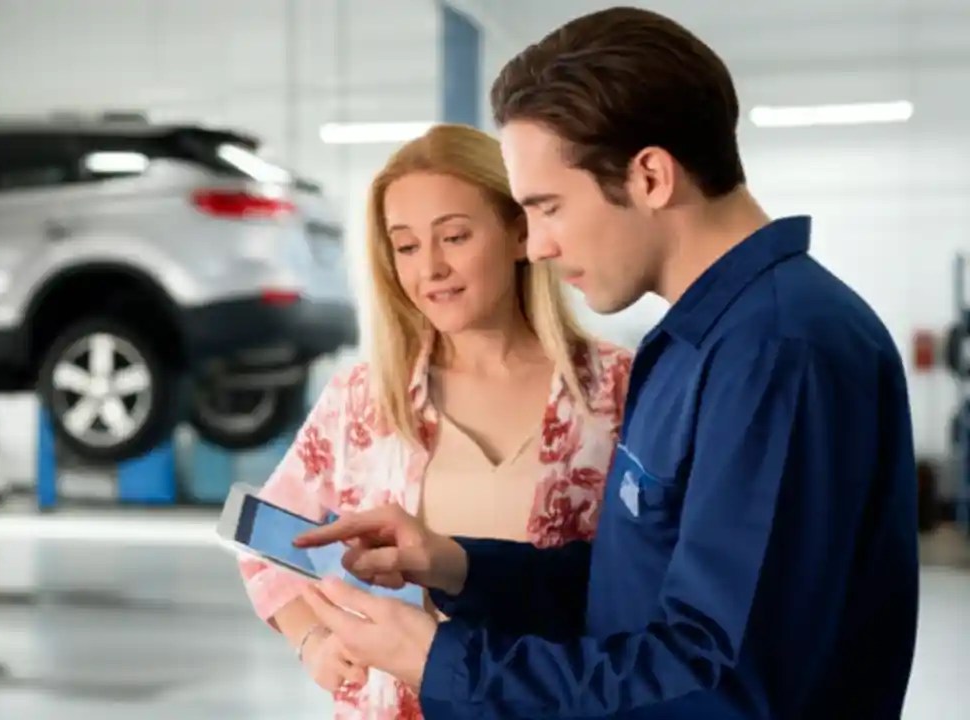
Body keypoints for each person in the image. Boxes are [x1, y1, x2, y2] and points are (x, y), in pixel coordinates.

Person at [293, 7, 920, 720]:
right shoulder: (689, 345)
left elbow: (720, 683)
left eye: (548, 207)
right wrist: (457, 566)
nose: (535, 247)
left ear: (649, 176)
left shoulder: (776, 354)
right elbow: (634, 591)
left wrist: (445, 664)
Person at [236, 123, 633, 719]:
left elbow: (641, 583)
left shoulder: (616, 390)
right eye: (407, 246)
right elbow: (264, 535)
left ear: (518, 232)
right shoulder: (364, 400)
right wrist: (311, 640)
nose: (432, 268)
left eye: (454, 236)